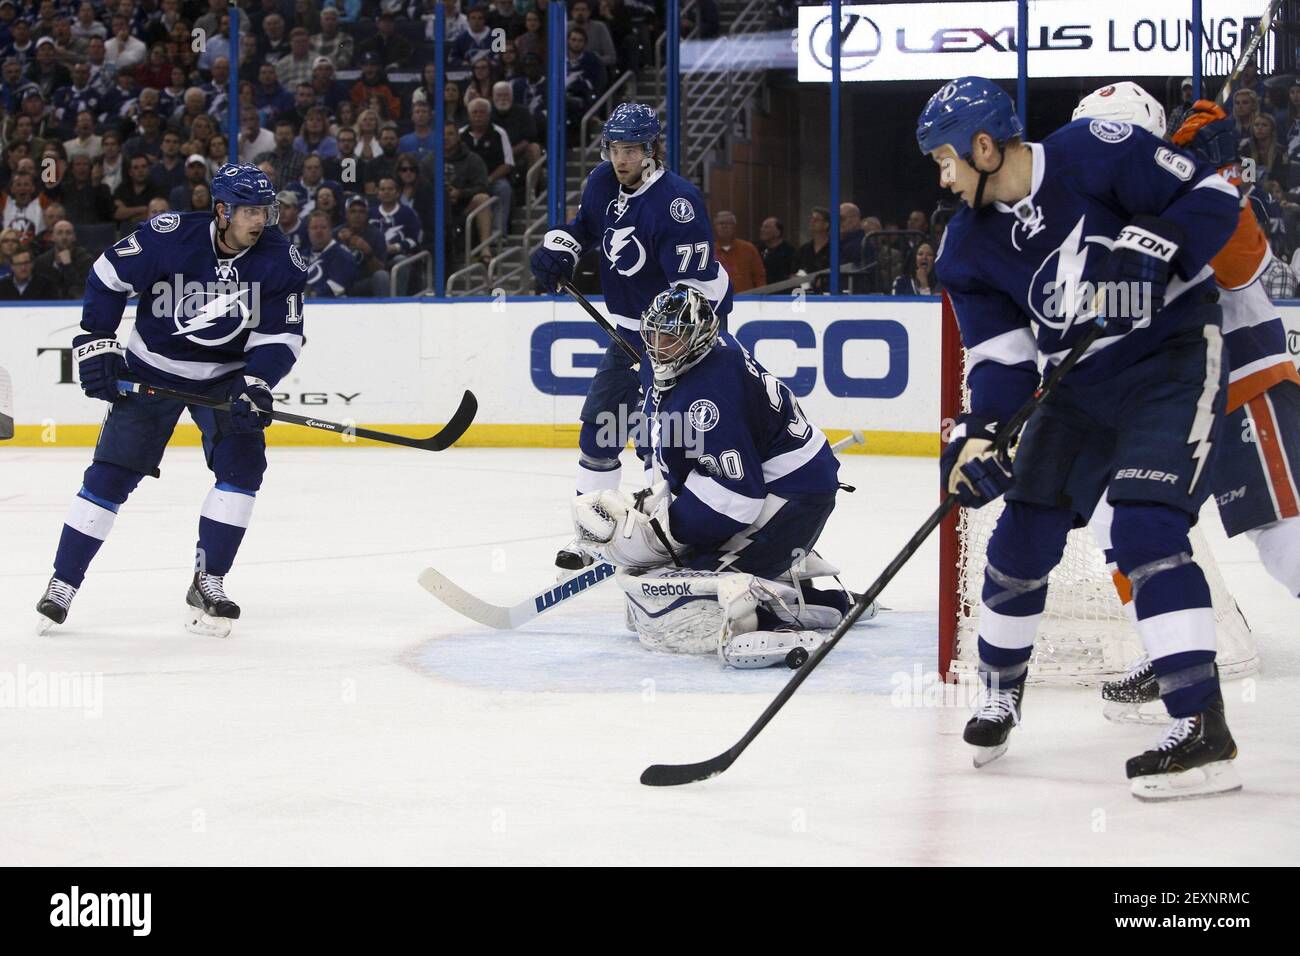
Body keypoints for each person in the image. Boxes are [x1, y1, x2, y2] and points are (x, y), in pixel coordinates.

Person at [917, 76, 1241, 800]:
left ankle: (1202, 727)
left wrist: (1162, 236)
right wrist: (978, 436)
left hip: (1171, 359)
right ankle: (1000, 693)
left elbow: (1218, 195)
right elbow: (1001, 360)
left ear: (983, 145)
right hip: (1075, 388)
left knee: (1148, 528)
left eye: (945, 159)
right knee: (1019, 542)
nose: (941, 176)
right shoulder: (966, 247)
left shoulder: (1097, 149)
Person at [1071, 88, 1300, 716]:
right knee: (1118, 521)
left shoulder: (1193, 182)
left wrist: (1221, 176)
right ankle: (1169, 648)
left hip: (1240, 374)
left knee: (1280, 532)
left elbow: (1243, 267)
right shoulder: (1092, 212)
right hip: (1162, 395)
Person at [34, 164, 308, 637]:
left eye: (265, 210)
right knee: (110, 475)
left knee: (243, 469)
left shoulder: (280, 260)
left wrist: (258, 383)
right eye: (248, 211)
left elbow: (281, 334)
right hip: (149, 370)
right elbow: (106, 276)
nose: (259, 220)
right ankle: (63, 583)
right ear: (222, 211)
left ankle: (210, 581)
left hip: (225, 379)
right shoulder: (168, 236)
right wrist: (97, 341)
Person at [571, 287, 865, 667]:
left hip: (794, 496)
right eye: (654, 334)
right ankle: (804, 594)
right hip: (770, 483)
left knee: (699, 580)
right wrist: (661, 496)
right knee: (688, 565)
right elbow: (662, 428)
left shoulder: (708, 398)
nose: (659, 347)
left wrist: (668, 532)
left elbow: (737, 498)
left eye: (671, 338)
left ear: (697, 339)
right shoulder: (698, 353)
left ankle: (772, 619)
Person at [530, 103, 733, 573]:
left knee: (659, 442)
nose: (621, 159)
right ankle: (592, 533)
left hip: (674, 344)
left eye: (631, 149)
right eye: (615, 148)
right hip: (624, 335)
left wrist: (670, 350)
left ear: (650, 150)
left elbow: (693, 292)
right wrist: (558, 249)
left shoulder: (677, 203)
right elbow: (584, 229)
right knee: (598, 433)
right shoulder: (603, 181)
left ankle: (660, 535)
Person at [303, 208, 357, 297]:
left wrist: (311, 295)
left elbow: (337, 286)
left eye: (323, 227)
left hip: (331, 306)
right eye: (314, 228)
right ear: (308, 231)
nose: (318, 231)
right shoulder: (302, 255)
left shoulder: (342, 254)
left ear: (331, 230)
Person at [33, 218, 93, 298]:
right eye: (59, 233)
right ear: (52, 237)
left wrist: (68, 265)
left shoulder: (85, 260)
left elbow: (80, 290)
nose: (64, 237)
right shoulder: (42, 261)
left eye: (68, 233)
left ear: (74, 237)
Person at [711, 209, 765, 293]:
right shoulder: (708, 251)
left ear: (735, 226)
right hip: (717, 302)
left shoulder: (749, 249)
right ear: (714, 226)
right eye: (721, 223)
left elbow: (760, 278)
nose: (724, 226)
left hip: (745, 301)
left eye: (728, 223)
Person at [757, 216, 794, 285]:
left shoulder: (788, 252)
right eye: (762, 227)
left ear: (777, 232)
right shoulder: (757, 250)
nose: (762, 230)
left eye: (766, 227)